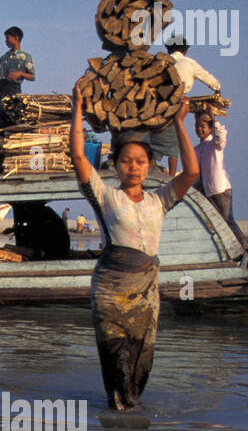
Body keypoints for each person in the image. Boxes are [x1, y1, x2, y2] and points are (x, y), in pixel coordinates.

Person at [70, 81, 199, 410]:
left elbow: (192, 172)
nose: (134, 167)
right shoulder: (106, 196)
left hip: (145, 294)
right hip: (110, 292)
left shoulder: (160, 200)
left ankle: (131, 428)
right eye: (127, 161)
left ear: (149, 165)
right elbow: (78, 157)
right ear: (116, 165)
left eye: (141, 161)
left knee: (140, 366)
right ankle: (116, 427)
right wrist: (78, 108)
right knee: (118, 363)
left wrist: (180, 123)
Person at [149, 36, 222, 173]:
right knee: (174, 138)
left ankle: (150, 163)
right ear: (185, 50)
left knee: (154, 133)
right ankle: (171, 175)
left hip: (156, 101)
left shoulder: (160, 62)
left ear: (168, 49)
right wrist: (217, 89)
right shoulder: (189, 63)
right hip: (177, 102)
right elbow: (207, 78)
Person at [192, 112, 246, 245]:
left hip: (220, 189)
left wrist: (214, 119)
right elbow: (196, 173)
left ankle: (243, 245)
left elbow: (221, 136)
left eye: (202, 126)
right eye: (197, 126)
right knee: (216, 223)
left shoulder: (214, 144)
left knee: (228, 221)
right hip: (208, 191)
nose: (199, 129)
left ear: (210, 128)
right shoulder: (197, 149)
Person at [0, 26, 35, 130]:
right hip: (0, 91)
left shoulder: (25, 57)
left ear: (16, 38)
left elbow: (32, 77)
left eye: (8, 38)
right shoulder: (4, 57)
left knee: (10, 118)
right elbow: (1, 75)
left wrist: (20, 73)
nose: (6, 41)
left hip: (12, 91)